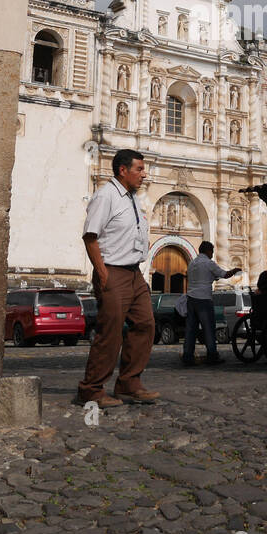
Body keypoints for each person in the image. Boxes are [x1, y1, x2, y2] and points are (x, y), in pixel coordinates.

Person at [74, 149, 158, 408]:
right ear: (123, 170)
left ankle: (129, 383)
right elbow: (90, 236)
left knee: (145, 324)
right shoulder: (106, 196)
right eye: (139, 169)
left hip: (134, 274)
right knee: (110, 332)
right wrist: (103, 274)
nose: (144, 174)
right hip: (113, 271)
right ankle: (91, 389)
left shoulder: (133, 198)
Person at [182, 242, 240, 366]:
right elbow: (225, 274)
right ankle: (212, 355)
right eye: (212, 252)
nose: (212, 254)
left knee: (191, 329)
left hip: (191, 299)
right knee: (208, 328)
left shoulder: (192, 263)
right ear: (208, 251)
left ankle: (187, 355)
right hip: (204, 299)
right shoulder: (209, 263)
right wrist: (234, 270)